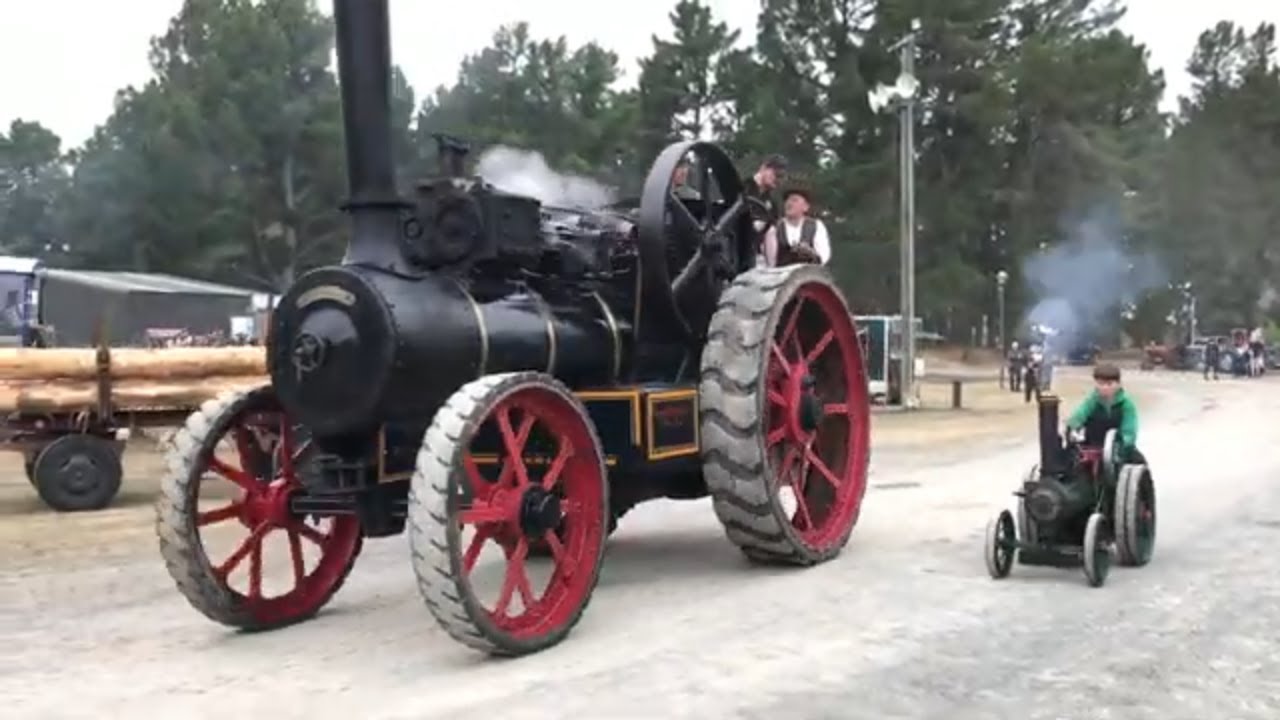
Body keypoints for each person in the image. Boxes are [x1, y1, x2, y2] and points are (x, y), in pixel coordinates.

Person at [1065, 363, 1146, 467]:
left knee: (1139, 463)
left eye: (1109, 384)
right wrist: (1072, 428)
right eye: (1101, 384)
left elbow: (1129, 432)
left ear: (1118, 384)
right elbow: (1079, 416)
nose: (1105, 388)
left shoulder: (1126, 404)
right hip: (1092, 445)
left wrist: (1120, 448)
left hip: (1119, 447)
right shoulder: (1092, 401)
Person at [762, 187, 832, 267]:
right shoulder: (774, 229)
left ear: (805, 207)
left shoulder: (816, 226)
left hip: (810, 270)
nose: (789, 203)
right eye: (787, 200)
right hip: (783, 271)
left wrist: (811, 253)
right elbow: (771, 263)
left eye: (794, 200)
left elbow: (823, 257)